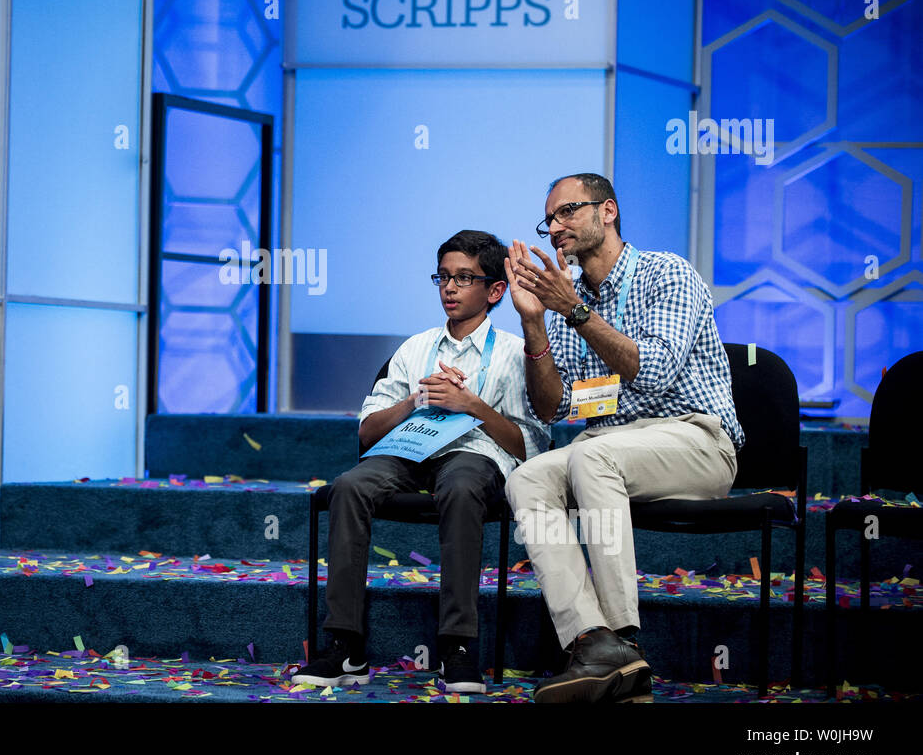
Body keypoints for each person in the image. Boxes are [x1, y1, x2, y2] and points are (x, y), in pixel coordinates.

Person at [503, 173, 742, 703]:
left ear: (607, 210)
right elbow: (554, 406)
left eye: (568, 212)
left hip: (697, 440)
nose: (555, 228)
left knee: (593, 456)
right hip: (613, 446)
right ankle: (592, 640)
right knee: (527, 479)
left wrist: (573, 310)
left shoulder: (666, 274)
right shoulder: (565, 299)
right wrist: (536, 323)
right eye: (549, 221)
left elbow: (650, 371)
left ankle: (624, 641)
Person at [292, 230, 549, 693]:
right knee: (348, 487)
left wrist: (472, 405)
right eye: (443, 277)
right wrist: (416, 399)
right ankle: (344, 644)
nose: (449, 288)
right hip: (409, 451)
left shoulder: (514, 353)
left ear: (494, 291)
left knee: (462, 484)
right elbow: (367, 432)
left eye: (464, 278)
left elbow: (529, 445)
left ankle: (458, 646)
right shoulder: (415, 347)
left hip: (474, 454)